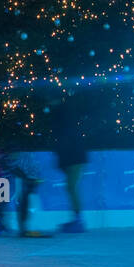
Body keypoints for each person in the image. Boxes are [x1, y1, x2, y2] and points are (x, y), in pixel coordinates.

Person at [48, 99, 88, 233]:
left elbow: (65, 143)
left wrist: (60, 159)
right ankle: (77, 219)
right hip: (74, 158)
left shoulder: (64, 127)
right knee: (70, 187)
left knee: (71, 187)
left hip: (74, 158)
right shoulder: (66, 127)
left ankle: (78, 220)